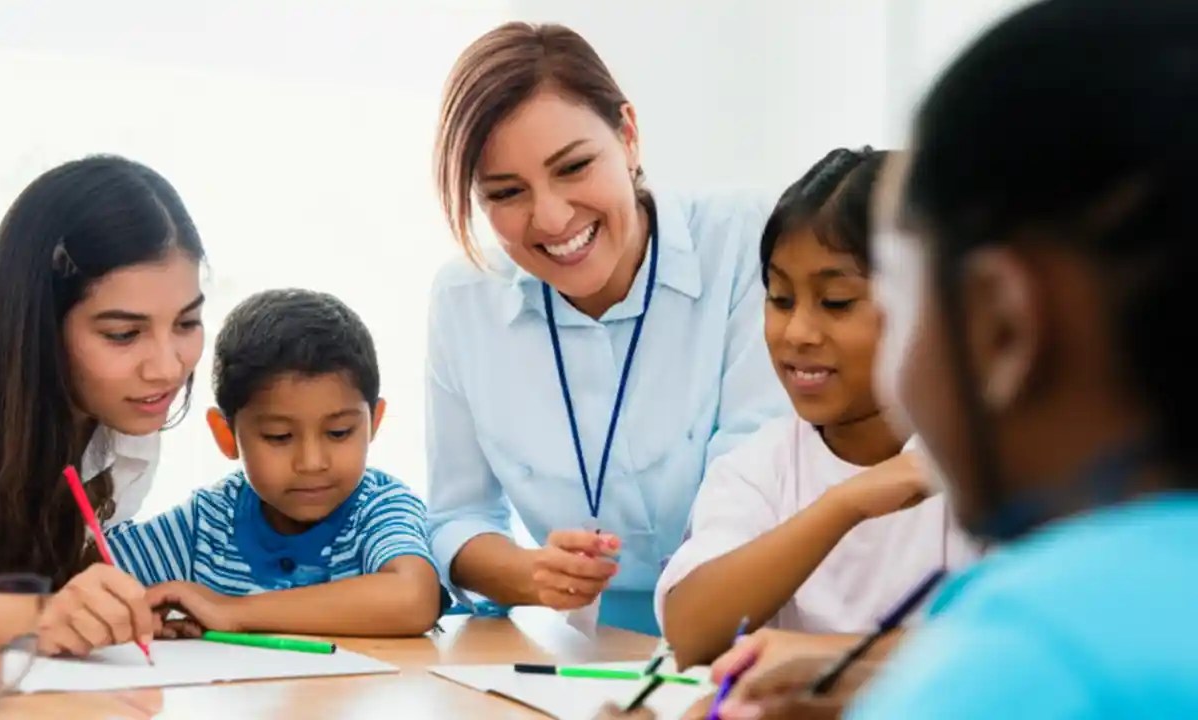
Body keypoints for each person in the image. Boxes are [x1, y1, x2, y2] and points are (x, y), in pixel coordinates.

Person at [697, 0, 1198, 717]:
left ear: (1002, 325)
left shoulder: (1031, 656)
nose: (801, 332)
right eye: (779, 299)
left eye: (897, 298)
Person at [426, 21, 787, 635]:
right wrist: (529, 573)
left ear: (628, 135)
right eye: (506, 193)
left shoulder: (747, 239)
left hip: (741, 632)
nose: (552, 217)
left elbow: (759, 481)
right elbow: (457, 516)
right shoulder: (465, 298)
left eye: (573, 167)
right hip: (574, 648)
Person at [654, 148, 977, 668]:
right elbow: (690, 632)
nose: (797, 333)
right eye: (780, 299)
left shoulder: (987, 466)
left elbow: (994, 645)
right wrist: (844, 504)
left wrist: (817, 662)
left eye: (836, 303)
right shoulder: (760, 467)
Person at [0, 155, 206, 657]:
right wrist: (39, 616)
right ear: (38, 323)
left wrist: (107, 610)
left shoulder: (129, 409)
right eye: (123, 334)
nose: (166, 367)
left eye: (186, 323)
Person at [107, 289, 443, 638]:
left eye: (339, 432)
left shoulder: (379, 508)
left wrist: (232, 612)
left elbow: (414, 599)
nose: (312, 463)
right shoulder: (205, 525)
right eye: (279, 437)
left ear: (374, 422)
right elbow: (86, 582)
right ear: (225, 434)